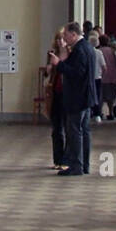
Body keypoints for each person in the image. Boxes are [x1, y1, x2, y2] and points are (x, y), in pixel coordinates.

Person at [53, 22, 96, 175]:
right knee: (84, 132)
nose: (64, 38)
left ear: (73, 34)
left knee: (75, 132)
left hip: (77, 97)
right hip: (85, 96)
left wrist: (59, 64)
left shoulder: (79, 50)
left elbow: (76, 73)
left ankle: (77, 166)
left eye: (65, 34)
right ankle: (84, 165)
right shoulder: (88, 47)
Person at [44, 28, 68, 169]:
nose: (60, 41)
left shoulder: (71, 54)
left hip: (67, 93)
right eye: (58, 39)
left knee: (67, 127)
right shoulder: (52, 53)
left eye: (62, 39)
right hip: (55, 92)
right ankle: (57, 159)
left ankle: (66, 159)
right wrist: (48, 69)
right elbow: (47, 74)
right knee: (56, 128)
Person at [100, 36, 116, 119]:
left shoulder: (99, 51)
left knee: (101, 96)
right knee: (111, 97)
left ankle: (100, 112)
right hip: (112, 77)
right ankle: (111, 112)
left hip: (102, 77)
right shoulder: (113, 51)